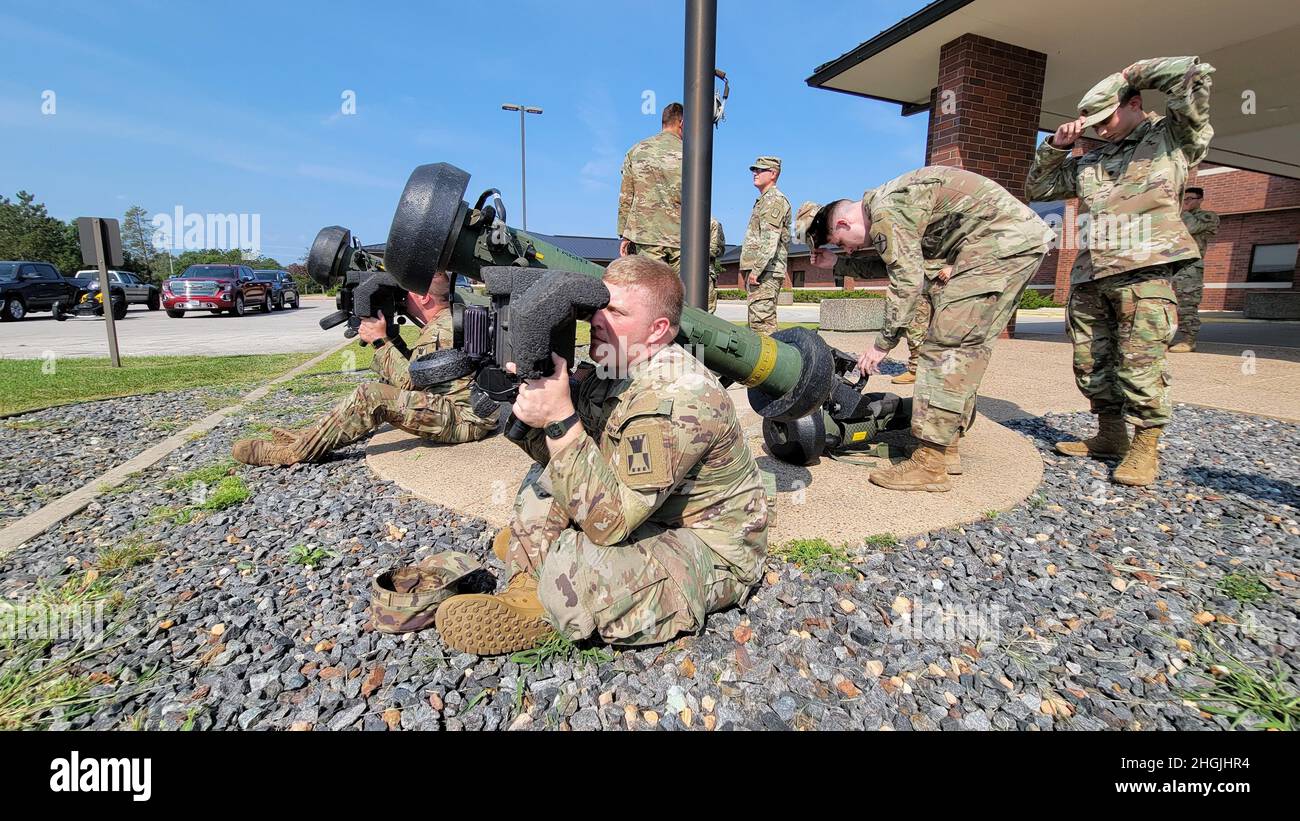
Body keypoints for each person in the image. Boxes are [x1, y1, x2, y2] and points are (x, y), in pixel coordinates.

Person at [433, 256, 770, 656]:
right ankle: (528, 587)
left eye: (616, 311)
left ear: (657, 330)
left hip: (707, 546)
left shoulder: (679, 396)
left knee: (584, 567)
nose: (597, 319)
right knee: (544, 486)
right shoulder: (609, 369)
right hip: (643, 513)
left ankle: (548, 597)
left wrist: (559, 418)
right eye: (598, 306)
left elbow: (609, 525)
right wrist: (522, 408)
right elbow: (563, 459)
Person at [802, 167, 1054, 492]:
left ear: (842, 223)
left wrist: (882, 344)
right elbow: (900, 262)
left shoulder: (884, 210)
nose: (847, 250)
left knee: (945, 349)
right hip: (1006, 244)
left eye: (841, 244)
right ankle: (945, 448)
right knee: (960, 351)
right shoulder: (888, 206)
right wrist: (838, 264)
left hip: (997, 247)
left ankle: (930, 463)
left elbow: (906, 281)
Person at [1027, 57, 1215, 485]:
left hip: (1144, 270)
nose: (1100, 129)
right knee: (1091, 361)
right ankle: (1109, 436)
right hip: (1091, 273)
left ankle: (1145, 447)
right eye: (1092, 124)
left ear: (1133, 104)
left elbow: (1193, 77)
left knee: (1140, 363)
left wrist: (1130, 74)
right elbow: (1039, 189)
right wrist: (1055, 147)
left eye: (1106, 118)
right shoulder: (1094, 159)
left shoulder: (1172, 137)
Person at [231, 274, 498, 466]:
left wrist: (380, 340)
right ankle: (312, 438)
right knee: (380, 389)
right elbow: (418, 371)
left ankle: (293, 453)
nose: (404, 300)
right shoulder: (445, 320)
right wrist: (389, 339)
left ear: (424, 297)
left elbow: (408, 381)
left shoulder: (441, 329)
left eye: (407, 294)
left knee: (372, 395)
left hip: (465, 420)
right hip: (458, 410)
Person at [617, 103, 684, 272]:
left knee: (652, 290)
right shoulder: (690, 151)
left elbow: (626, 196)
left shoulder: (636, 151)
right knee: (685, 291)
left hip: (646, 234)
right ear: (682, 122)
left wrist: (624, 233)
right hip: (682, 235)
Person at [739, 156, 791, 334]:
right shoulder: (764, 200)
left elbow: (770, 240)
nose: (755, 173)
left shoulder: (774, 200)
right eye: (755, 169)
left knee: (762, 327)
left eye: (760, 170)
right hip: (763, 272)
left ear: (773, 174)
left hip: (765, 272)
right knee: (757, 324)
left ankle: (769, 363)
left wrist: (756, 270)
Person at [1170, 186, 1220, 352]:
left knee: (1187, 303)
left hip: (1189, 266)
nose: (1186, 202)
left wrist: (1183, 211)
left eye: (1190, 199)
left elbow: (1191, 228)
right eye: (1184, 199)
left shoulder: (1207, 216)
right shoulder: (1175, 216)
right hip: (1170, 264)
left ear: (1200, 200)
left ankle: (1188, 340)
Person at [708, 216, 725, 313]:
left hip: (705, 272)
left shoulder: (713, 223)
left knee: (707, 312)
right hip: (678, 272)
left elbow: (718, 250)